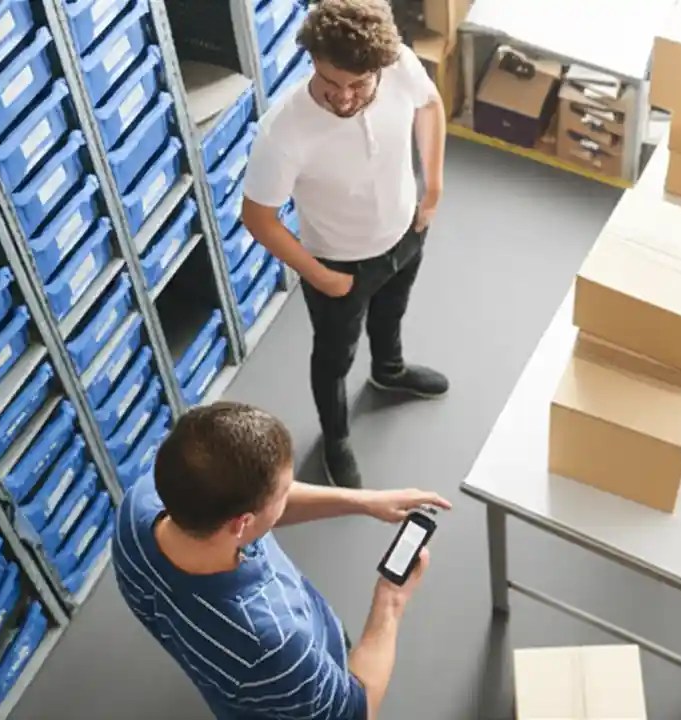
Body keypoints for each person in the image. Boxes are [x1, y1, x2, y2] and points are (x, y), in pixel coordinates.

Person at [113, 403, 450, 719]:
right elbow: (354, 710)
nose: (288, 493)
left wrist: (365, 501)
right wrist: (391, 599)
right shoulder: (275, 644)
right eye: (284, 491)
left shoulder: (141, 504)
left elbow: (263, 499)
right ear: (241, 523)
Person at [242, 0, 449, 489]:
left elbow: (431, 105)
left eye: (357, 85)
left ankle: (389, 371)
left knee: (391, 314)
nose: (342, 98)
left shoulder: (399, 64)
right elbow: (258, 217)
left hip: (405, 234)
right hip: (339, 265)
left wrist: (433, 189)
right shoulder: (284, 131)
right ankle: (335, 438)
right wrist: (322, 276)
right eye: (329, 83)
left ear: (381, 66)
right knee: (334, 357)